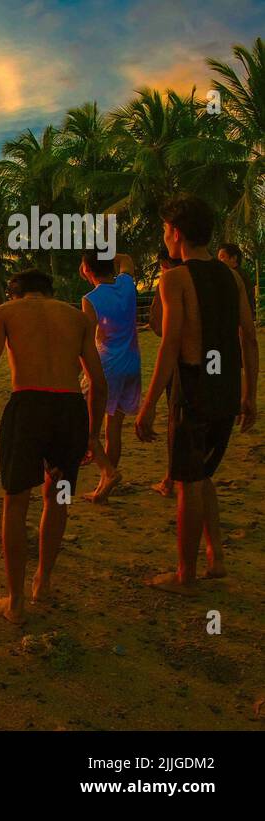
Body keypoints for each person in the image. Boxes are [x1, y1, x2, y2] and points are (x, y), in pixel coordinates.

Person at [0, 269, 110, 624]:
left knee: (16, 503)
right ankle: (44, 581)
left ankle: (16, 601)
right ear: (50, 292)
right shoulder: (78, 317)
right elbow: (97, 381)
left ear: (15, 293)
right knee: (59, 496)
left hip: (28, 409)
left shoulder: (4, 313)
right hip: (69, 411)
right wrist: (93, 434)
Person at [136, 194, 258, 592]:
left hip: (194, 388)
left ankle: (185, 574)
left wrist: (150, 403)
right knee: (203, 475)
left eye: (165, 229)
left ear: (176, 233)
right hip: (225, 386)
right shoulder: (232, 276)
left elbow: (170, 345)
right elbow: (249, 338)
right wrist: (250, 394)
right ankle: (215, 558)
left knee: (188, 481)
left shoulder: (174, 279)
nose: (164, 235)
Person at [79, 251, 140, 502]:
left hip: (107, 366)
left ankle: (108, 472)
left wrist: (80, 370)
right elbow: (126, 257)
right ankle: (105, 484)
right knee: (113, 428)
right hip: (132, 363)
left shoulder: (90, 299)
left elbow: (87, 340)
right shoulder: (126, 284)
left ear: (87, 269)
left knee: (84, 427)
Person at [149, 246, 183, 497]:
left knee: (175, 417)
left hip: (181, 361)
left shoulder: (171, 281)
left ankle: (172, 477)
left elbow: (158, 327)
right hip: (212, 361)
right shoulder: (215, 278)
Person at [217, 242, 254, 320]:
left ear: (234, 258)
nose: (219, 261)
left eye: (222, 257)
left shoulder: (236, 276)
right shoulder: (236, 274)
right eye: (218, 258)